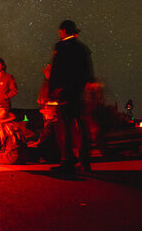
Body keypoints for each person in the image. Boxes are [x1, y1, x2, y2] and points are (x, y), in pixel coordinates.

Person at [48, 20, 94, 173]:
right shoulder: (82, 48)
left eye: (60, 31)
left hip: (65, 92)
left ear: (64, 31)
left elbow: (56, 69)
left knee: (65, 128)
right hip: (78, 92)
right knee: (80, 127)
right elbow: (88, 71)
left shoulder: (61, 47)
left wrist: (52, 89)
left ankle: (66, 161)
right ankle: (85, 161)